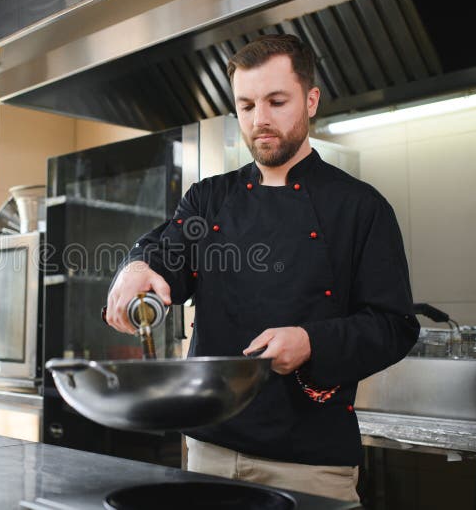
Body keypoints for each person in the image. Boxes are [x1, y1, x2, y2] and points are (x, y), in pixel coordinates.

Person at [105, 34, 420, 502]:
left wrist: (312, 341)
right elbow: (166, 253)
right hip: (210, 449)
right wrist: (137, 267)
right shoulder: (210, 198)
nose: (260, 120)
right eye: (247, 105)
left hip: (311, 463)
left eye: (276, 101)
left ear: (311, 100)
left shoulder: (361, 208)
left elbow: (395, 327)